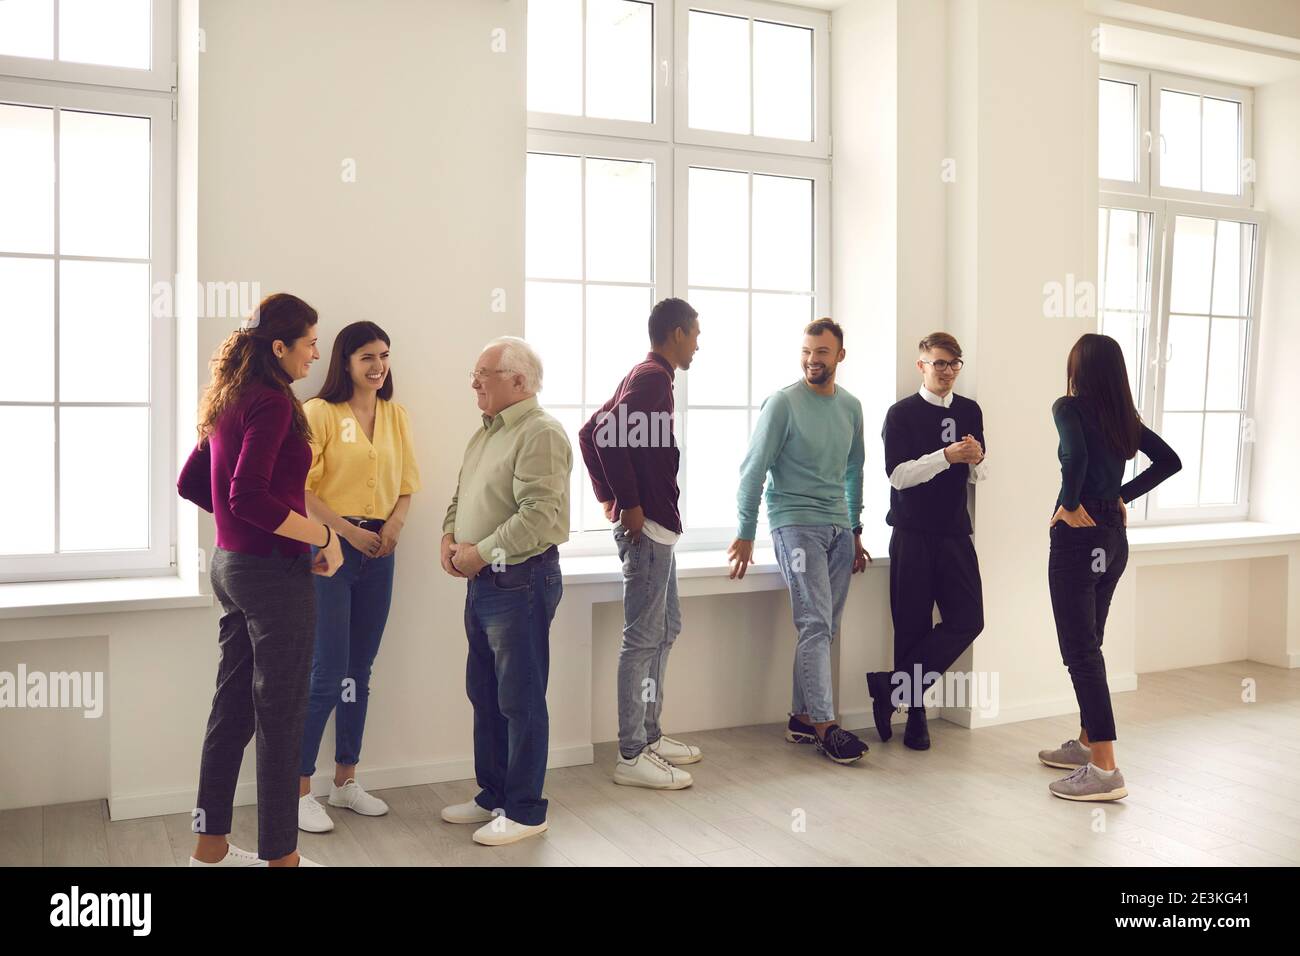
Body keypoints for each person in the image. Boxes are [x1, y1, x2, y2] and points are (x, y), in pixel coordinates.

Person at [177, 293, 343, 867]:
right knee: (281, 716)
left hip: (231, 568)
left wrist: (248, 531)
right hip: (272, 577)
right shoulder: (272, 402)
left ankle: (210, 847)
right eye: (310, 342)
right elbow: (246, 495)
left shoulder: (230, 397)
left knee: (233, 709)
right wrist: (319, 537)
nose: (316, 354)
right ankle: (282, 858)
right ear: (280, 347)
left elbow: (194, 483)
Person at [439, 336, 571, 845]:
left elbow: (538, 517)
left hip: (521, 580)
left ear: (518, 381)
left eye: (484, 373)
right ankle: (493, 796)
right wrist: (449, 538)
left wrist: (479, 552)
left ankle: (525, 810)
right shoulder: (486, 433)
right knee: (485, 693)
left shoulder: (540, 433)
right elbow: (461, 496)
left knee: (520, 697)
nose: (474, 383)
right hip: (484, 580)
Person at [1039, 333, 1181, 801]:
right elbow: (1170, 461)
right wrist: (1121, 497)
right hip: (1113, 539)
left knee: (1080, 652)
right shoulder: (1124, 417)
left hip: (1079, 537)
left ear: (1078, 367)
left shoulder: (1068, 407)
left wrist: (1070, 503)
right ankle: (1085, 744)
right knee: (1091, 647)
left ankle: (1105, 768)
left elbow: (1076, 457)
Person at [728, 318, 872, 765]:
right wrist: (746, 532)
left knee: (824, 625)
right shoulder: (783, 404)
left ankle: (802, 719)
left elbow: (854, 470)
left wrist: (856, 528)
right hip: (794, 524)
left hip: (838, 528)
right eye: (807, 351)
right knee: (813, 623)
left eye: (822, 352)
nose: (813, 359)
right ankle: (828, 727)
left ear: (840, 356)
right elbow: (753, 470)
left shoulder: (851, 407)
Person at [296, 321, 421, 833]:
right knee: (327, 672)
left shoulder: (395, 415)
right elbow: (300, 490)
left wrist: (391, 528)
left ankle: (345, 780)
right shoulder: (319, 414)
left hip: (381, 552)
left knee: (358, 672)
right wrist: (347, 532)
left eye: (385, 355)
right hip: (329, 552)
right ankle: (298, 788)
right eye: (367, 356)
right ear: (344, 361)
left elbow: (408, 483)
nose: (378, 366)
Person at [578, 298, 702, 790]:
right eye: (695, 333)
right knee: (642, 638)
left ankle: (649, 737)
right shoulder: (652, 378)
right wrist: (625, 502)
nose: (698, 343)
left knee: (667, 626)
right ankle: (631, 754)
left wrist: (612, 496)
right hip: (647, 530)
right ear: (676, 334)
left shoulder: (648, 375)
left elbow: (592, 431)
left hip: (657, 530)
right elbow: (604, 436)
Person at [867, 333, 986, 750]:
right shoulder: (900, 414)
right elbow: (898, 476)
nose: (948, 371)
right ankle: (915, 716)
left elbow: (974, 476)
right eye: (939, 363)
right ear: (922, 365)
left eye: (955, 364)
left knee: (969, 619)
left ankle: (891, 688)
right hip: (912, 533)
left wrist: (975, 461)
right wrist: (946, 456)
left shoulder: (970, 410)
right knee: (912, 624)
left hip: (955, 532)